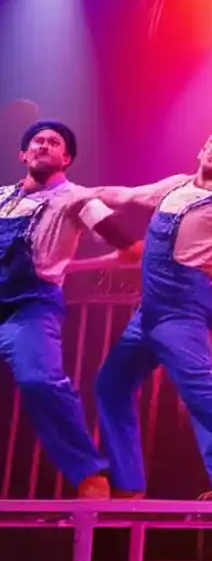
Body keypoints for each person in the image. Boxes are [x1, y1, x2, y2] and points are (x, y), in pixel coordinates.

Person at [87, 126, 212, 500]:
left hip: (183, 305)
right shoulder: (175, 186)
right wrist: (82, 194)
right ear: (201, 150)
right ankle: (128, 485)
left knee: (199, 386)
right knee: (111, 385)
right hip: (150, 309)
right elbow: (127, 196)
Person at [2, 121, 137, 497]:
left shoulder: (77, 198)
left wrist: (128, 253)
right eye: (37, 141)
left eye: (54, 142)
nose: (44, 145)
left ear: (66, 158)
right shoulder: (2, 197)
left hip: (31, 304)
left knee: (39, 380)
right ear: (23, 154)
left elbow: (124, 241)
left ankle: (89, 473)